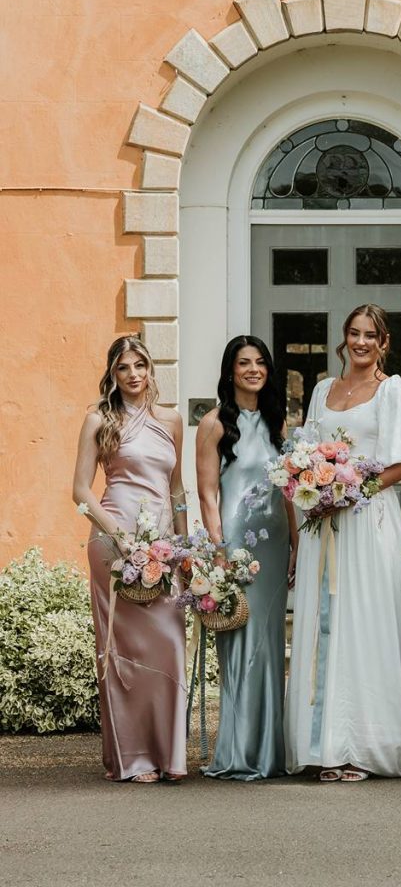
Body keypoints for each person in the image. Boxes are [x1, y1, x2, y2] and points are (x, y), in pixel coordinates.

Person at [285, 304, 401, 782]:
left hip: (368, 521)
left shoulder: (393, 392)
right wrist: (313, 482)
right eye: (354, 333)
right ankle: (324, 745)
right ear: (344, 338)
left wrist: (353, 489)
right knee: (324, 623)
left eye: (371, 335)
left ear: (384, 342)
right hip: (324, 524)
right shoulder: (325, 389)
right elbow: (306, 448)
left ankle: (364, 747)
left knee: (363, 624)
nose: (362, 342)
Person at [73, 335, 188, 783]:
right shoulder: (98, 419)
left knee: (170, 643)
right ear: (113, 374)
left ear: (151, 369)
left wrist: (185, 547)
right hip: (113, 540)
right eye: (125, 368)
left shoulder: (172, 420)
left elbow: (177, 490)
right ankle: (136, 757)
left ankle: (169, 755)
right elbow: (80, 490)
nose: (134, 374)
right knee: (125, 651)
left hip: (163, 542)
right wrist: (119, 536)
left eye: (141, 365)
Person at [196, 335, 298, 780]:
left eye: (260, 362)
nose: (253, 369)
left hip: (274, 544)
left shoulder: (279, 424)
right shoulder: (215, 423)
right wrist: (218, 552)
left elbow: (290, 491)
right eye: (244, 363)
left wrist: (295, 542)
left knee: (270, 643)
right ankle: (238, 750)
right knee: (239, 641)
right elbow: (206, 491)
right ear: (230, 370)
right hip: (236, 543)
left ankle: (268, 753)